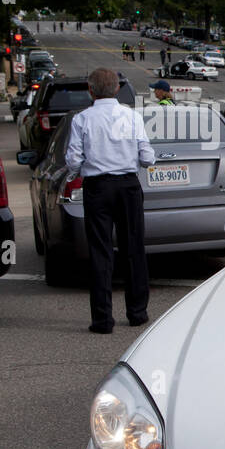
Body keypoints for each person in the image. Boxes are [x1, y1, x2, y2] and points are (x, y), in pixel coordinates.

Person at [65, 68, 155, 334]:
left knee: (100, 251)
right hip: (128, 186)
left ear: (90, 90)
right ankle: (137, 312)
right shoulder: (132, 116)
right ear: (117, 89)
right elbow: (147, 156)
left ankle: (103, 319)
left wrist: (83, 168)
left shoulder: (82, 119)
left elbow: (73, 160)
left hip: (98, 187)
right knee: (133, 248)